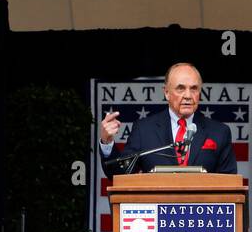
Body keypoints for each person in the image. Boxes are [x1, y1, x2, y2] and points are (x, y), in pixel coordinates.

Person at [98, 63, 238, 176]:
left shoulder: (219, 132)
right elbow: (119, 175)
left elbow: (230, 183)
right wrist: (107, 142)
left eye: (194, 88)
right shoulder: (144, 130)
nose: (188, 95)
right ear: (166, 93)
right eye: (180, 88)